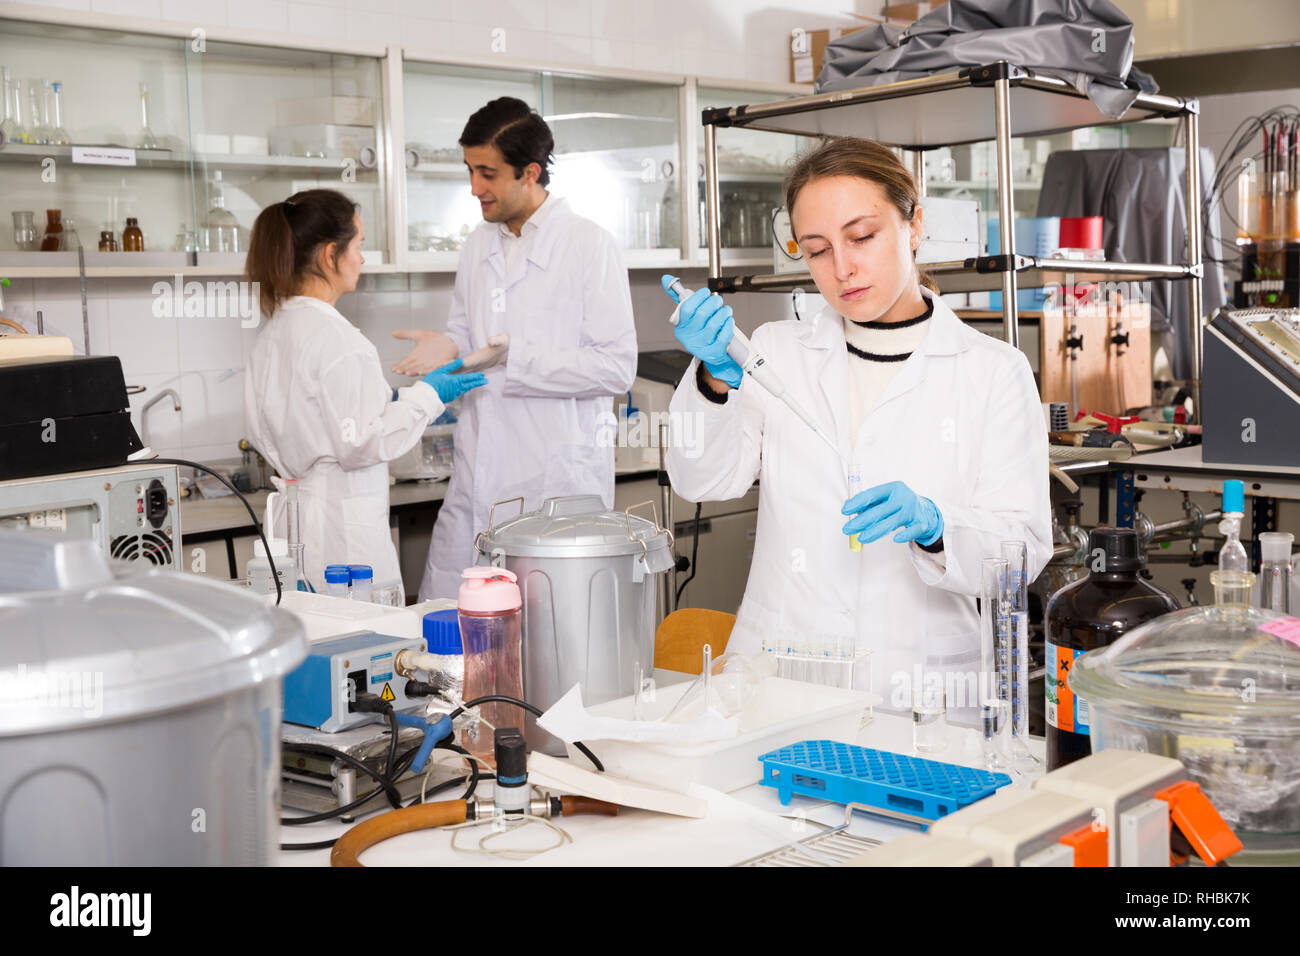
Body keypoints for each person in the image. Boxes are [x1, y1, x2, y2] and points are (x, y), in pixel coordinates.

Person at [665, 138, 1052, 714]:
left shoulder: (992, 372)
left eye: (862, 237)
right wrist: (714, 382)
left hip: (922, 697)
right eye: (817, 250)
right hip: (777, 686)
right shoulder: (775, 352)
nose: (841, 268)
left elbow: (1021, 552)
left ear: (914, 224)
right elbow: (701, 480)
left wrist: (937, 526)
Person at [396, 98, 638, 600]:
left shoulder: (589, 245)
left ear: (530, 172)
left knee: (547, 638)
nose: (473, 187)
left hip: (554, 484)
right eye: (469, 170)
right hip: (477, 477)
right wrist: (448, 346)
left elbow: (616, 368)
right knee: (451, 625)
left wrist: (518, 355)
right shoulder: (476, 247)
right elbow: (469, 339)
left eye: (487, 173)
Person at [244, 189, 486, 597]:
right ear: (329, 255)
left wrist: (400, 400)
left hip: (293, 531)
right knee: (362, 650)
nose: (363, 257)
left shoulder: (272, 334)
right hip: (341, 538)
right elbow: (361, 443)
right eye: (358, 245)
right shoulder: (340, 341)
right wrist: (428, 395)